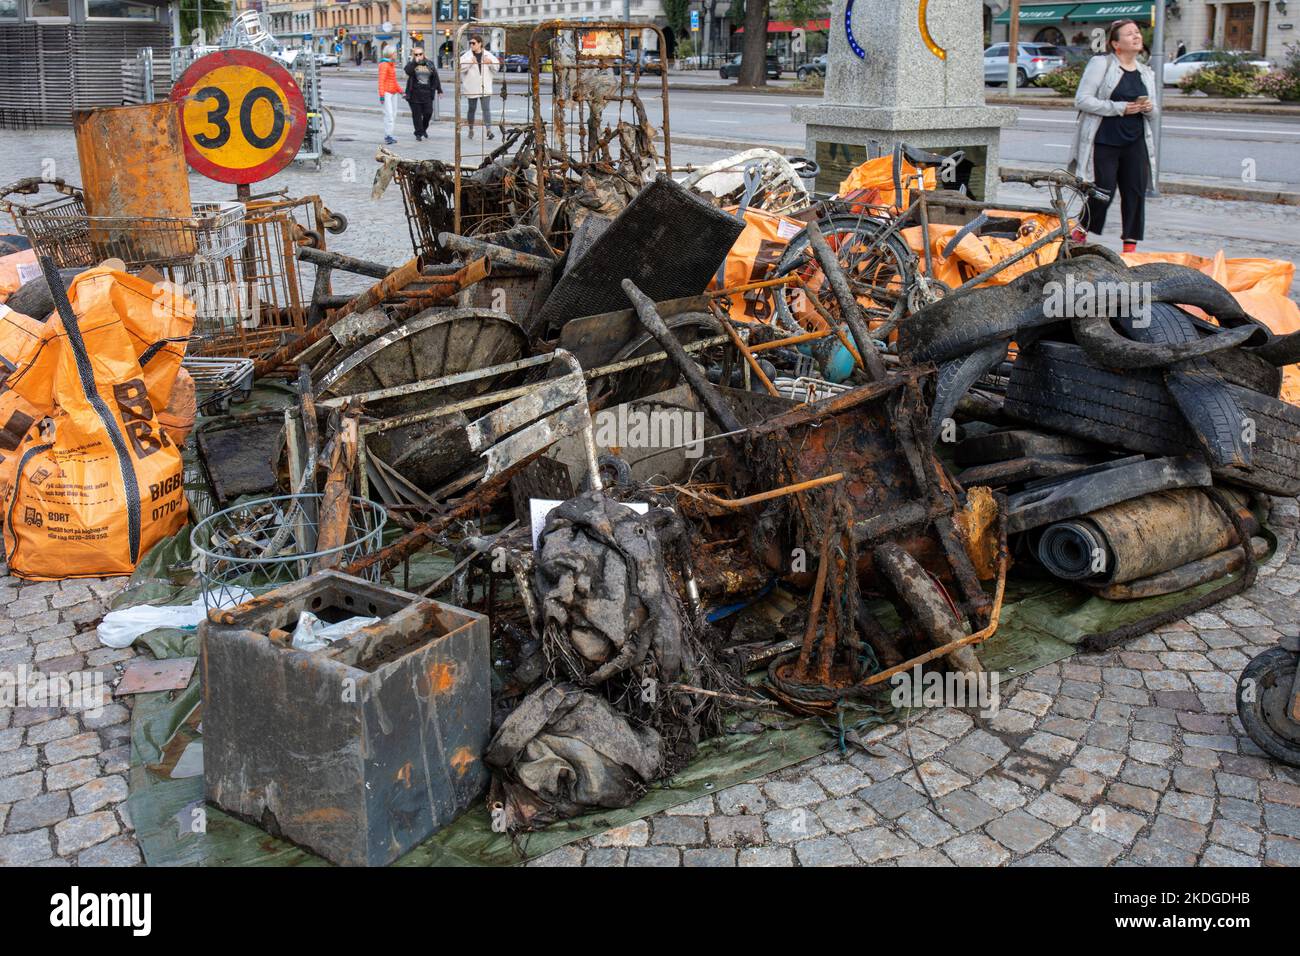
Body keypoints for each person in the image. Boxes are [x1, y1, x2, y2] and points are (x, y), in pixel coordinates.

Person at [1069, 19, 1157, 254]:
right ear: (1116, 44)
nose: (1136, 36)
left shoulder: (1145, 72)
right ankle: (1080, 232)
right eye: (1129, 34)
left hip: (1135, 140)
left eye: (1137, 32)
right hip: (1105, 139)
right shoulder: (1101, 64)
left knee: (1135, 193)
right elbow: (1083, 100)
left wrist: (1148, 108)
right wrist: (1119, 108)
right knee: (1102, 191)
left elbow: (1156, 112)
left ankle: (1130, 246)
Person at [459, 33, 498, 141]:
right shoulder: (466, 56)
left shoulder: (488, 55)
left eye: (474, 43)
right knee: (472, 109)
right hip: (471, 87)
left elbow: (496, 67)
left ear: (480, 44)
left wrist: (490, 62)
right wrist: (470, 62)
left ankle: (489, 130)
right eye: (470, 43)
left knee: (486, 109)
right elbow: (459, 68)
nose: (471, 45)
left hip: (485, 86)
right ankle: (471, 129)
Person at [404, 45, 442, 141]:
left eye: (420, 54)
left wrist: (439, 90)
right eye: (416, 54)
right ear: (413, 55)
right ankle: (418, 133)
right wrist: (414, 63)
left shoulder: (429, 64)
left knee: (428, 113)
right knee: (416, 115)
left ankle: (423, 129)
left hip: (427, 94)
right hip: (414, 94)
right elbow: (407, 71)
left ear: (423, 54)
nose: (418, 56)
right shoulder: (412, 64)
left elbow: (435, 77)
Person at [378, 45, 403, 145]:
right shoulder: (384, 65)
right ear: (390, 54)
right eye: (395, 53)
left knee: (393, 115)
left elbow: (393, 81)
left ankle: (390, 135)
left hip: (393, 92)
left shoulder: (391, 64)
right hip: (386, 93)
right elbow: (381, 80)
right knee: (389, 115)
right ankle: (388, 136)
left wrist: (401, 91)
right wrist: (382, 95)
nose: (396, 54)